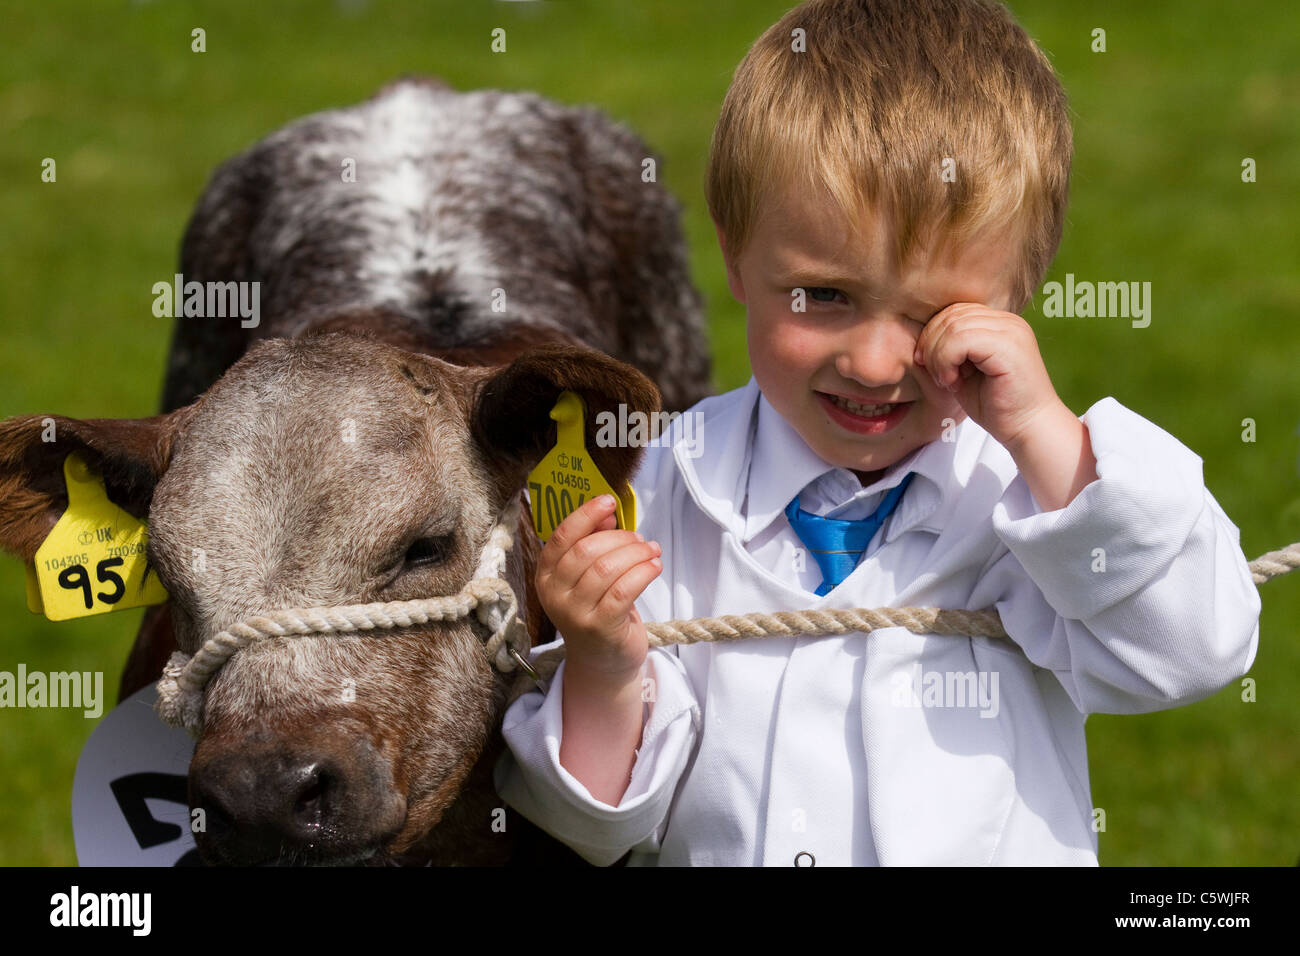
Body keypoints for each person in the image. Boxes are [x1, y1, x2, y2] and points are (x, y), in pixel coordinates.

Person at [492, 0, 1261, 865]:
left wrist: (1048, 433)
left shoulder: (1033, 491)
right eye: (823, 296)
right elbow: (593, 829)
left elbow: (1193, 650)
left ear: (1022, 291)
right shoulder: (657, 492)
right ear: (736, 254)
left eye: (935, 314)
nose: (872, 361)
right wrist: (601, 667)